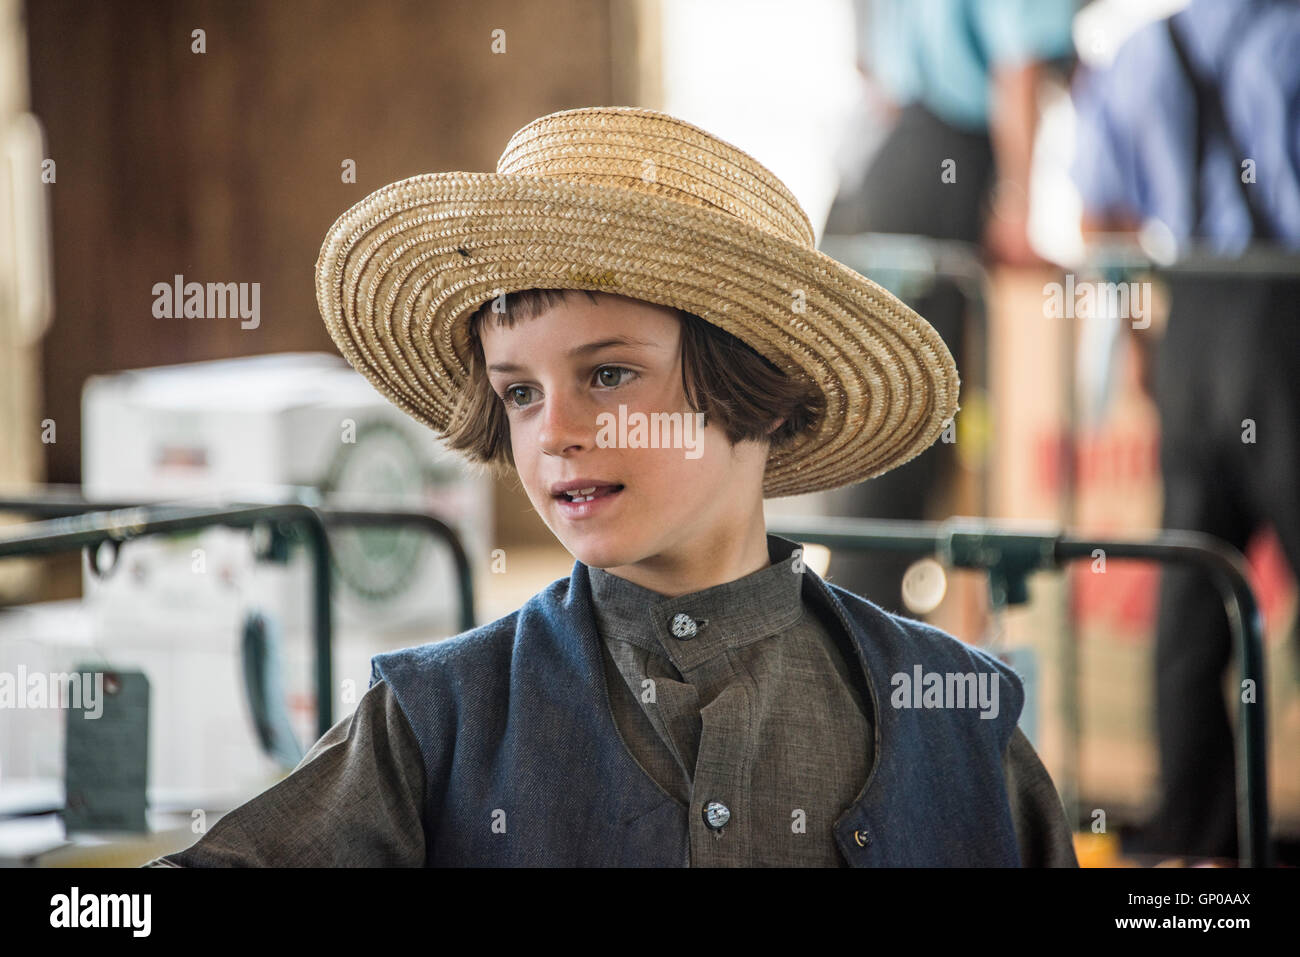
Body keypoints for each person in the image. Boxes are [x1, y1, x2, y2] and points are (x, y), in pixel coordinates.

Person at [145, 106, 1077, 866]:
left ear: (755, 382)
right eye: (518, 391)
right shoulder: (438, 720)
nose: (554, 432)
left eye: (609, 375)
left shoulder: (955, 718)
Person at [1071, 0, 1300, 861]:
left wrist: (1141, 345)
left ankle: (1198, 850)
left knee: (1192, 599)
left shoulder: (1140, 51)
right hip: (1285, 325)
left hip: (1191, 329)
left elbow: (1101, 216)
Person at [823, 0, 1077, 613]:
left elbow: (875, 76)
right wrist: (1016, 204)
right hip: (941, 169)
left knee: (875, 421)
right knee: (913, 429)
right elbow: (1017, 67)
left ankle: (856, 627)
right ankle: (865, 648)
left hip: (883, 169)